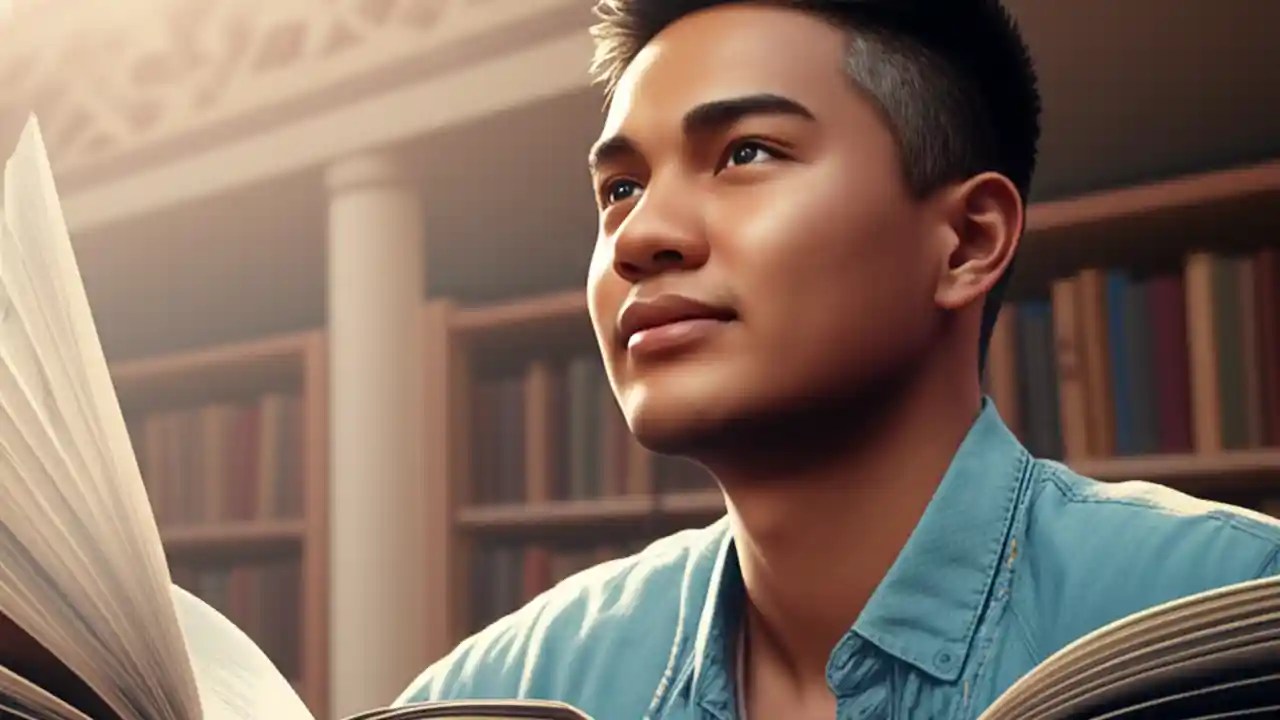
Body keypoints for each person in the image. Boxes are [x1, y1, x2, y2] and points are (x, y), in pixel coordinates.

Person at [396, 1, 1280, 718]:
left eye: (746, 153)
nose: (641, 237)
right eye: (620, 189)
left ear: (968, 241)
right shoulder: (505, 690)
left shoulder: (1238, 612)